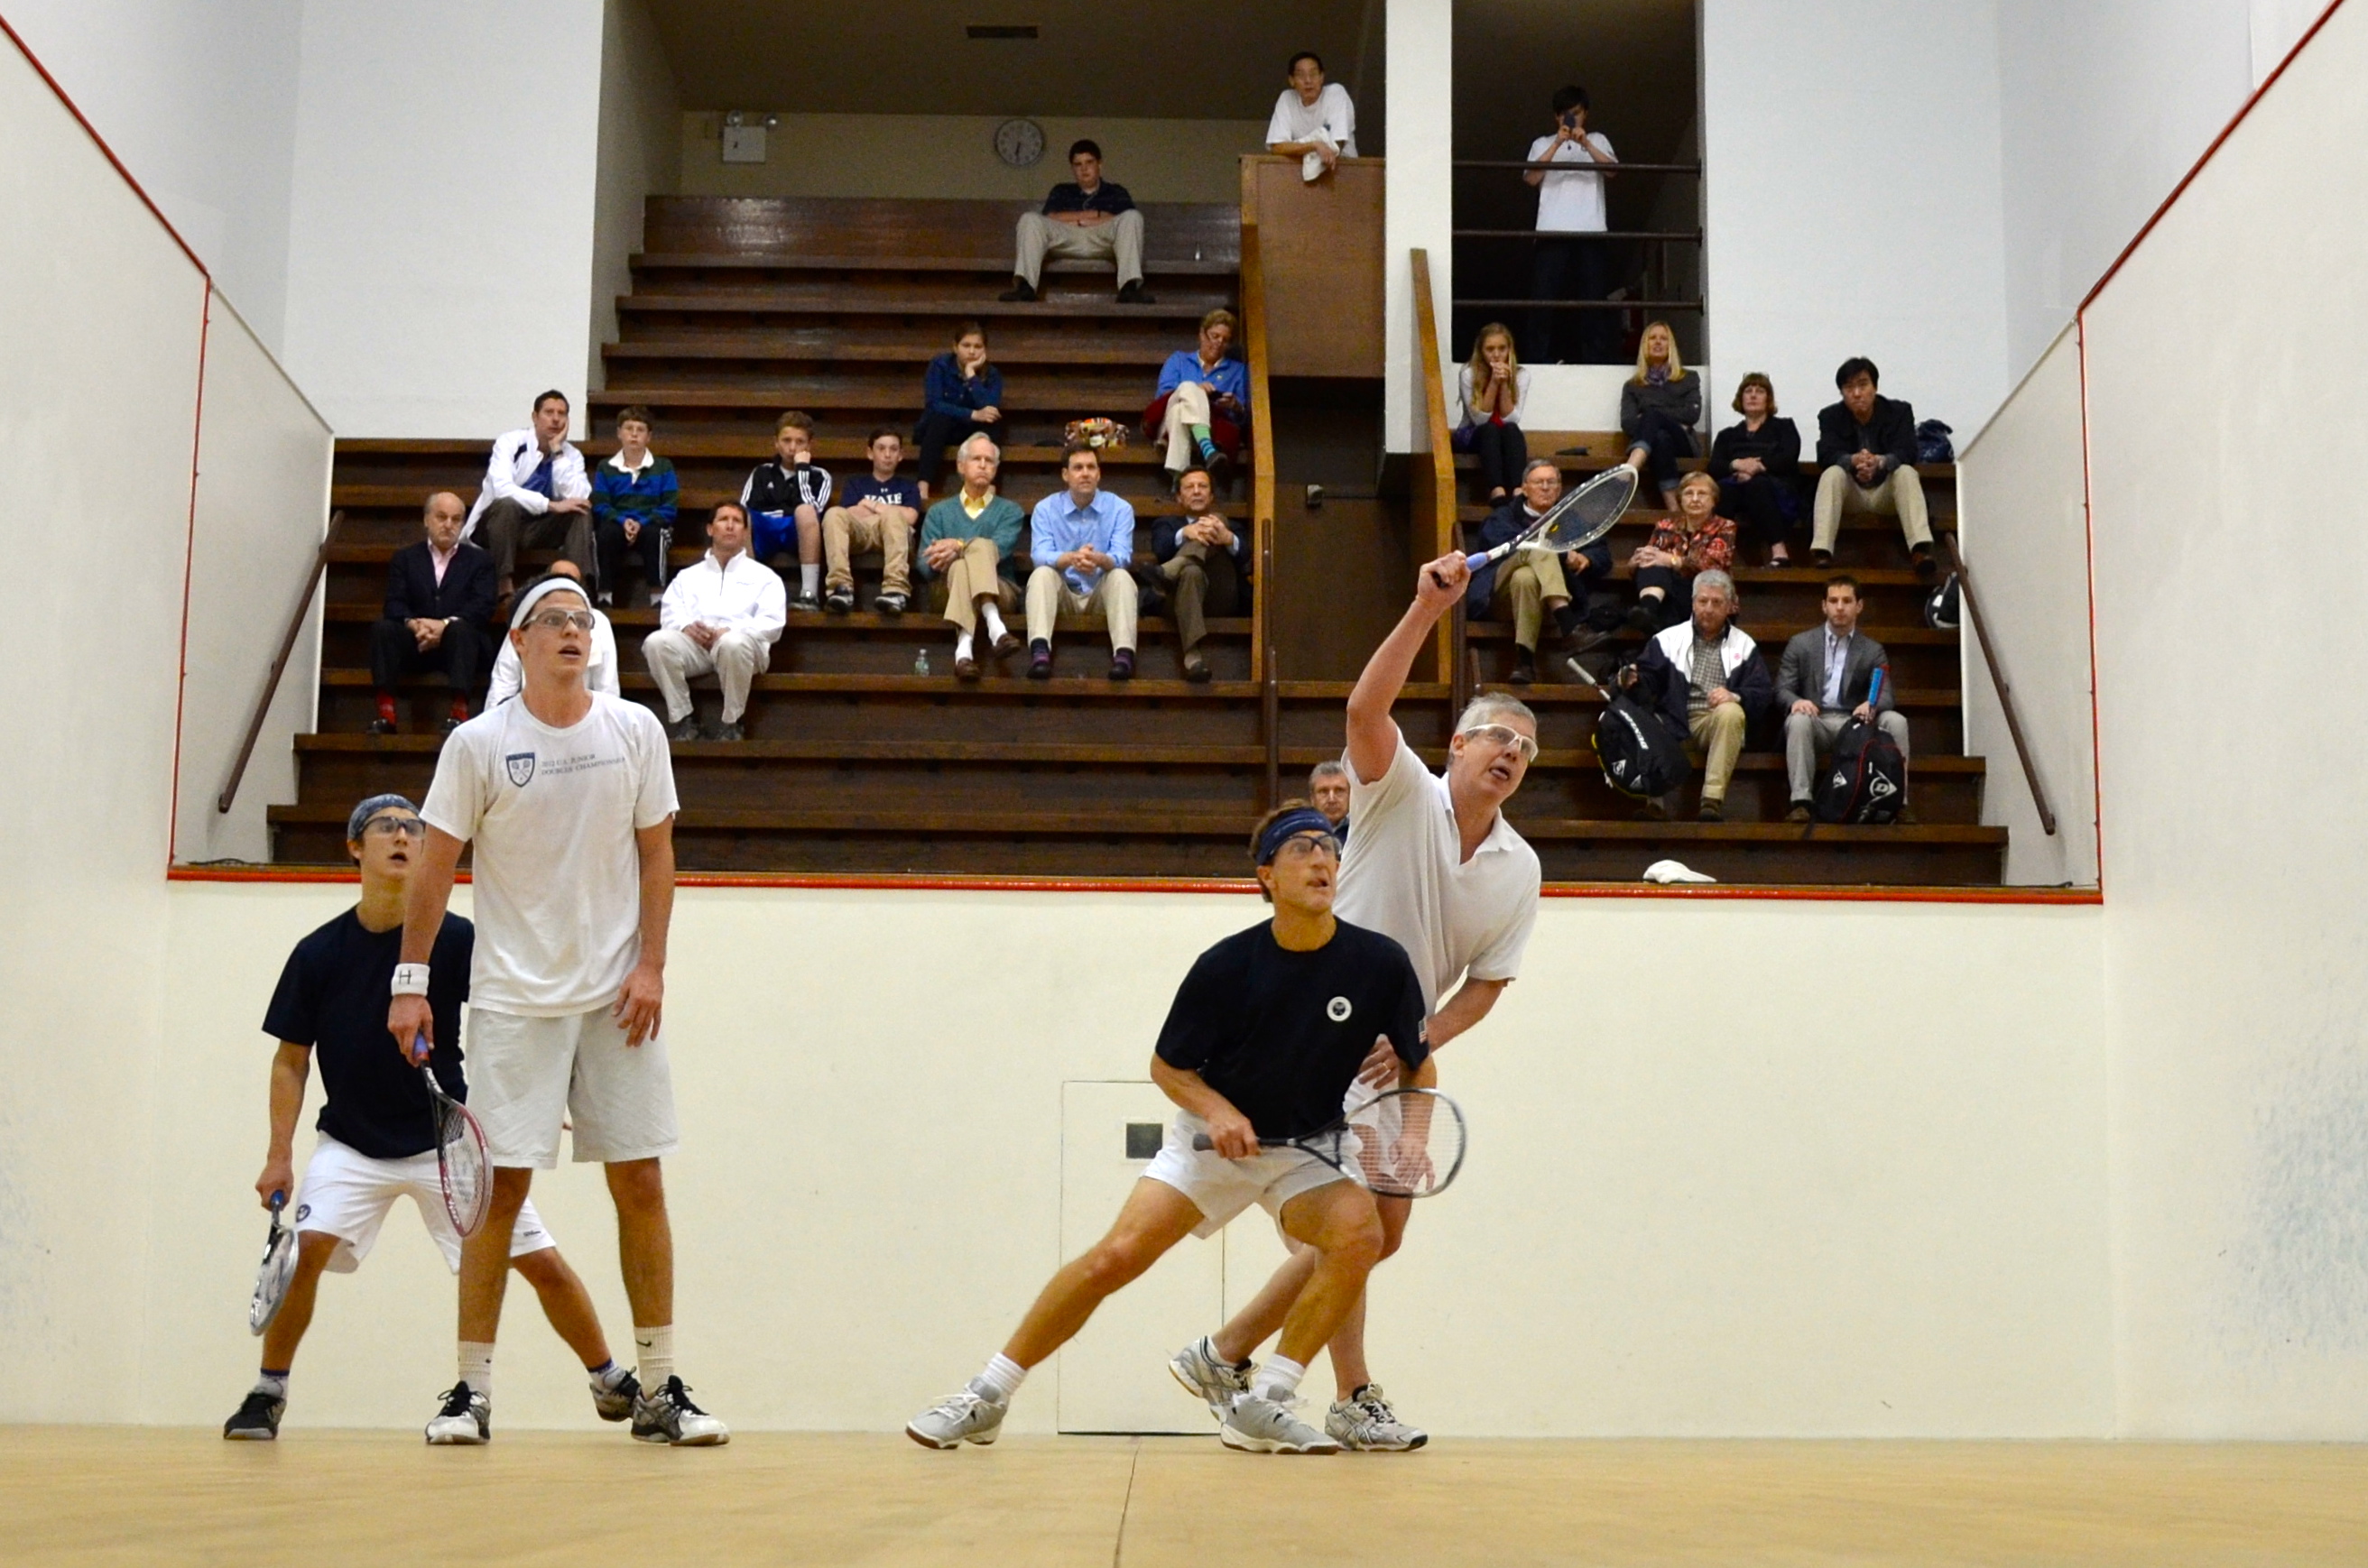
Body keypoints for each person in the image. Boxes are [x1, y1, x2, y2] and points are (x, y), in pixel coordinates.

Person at [906, 803, 1432, 1456]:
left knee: (1360, 1235)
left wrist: (1413, 1137)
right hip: (1212, 1145)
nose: (1321, 859)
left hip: (1306, 1149)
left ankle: (1265, 1402)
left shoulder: (1379, 963)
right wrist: (1217, 1110)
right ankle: (986, 1395)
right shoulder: (1226, 967)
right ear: (1266, 874)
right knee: (1114, 1258)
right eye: (1301, 849)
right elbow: (1168, 1067)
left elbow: (1419, 1062)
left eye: (1328, 847)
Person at [1177, 552, 1542, 1453]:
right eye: (1497, 736)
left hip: (1398, 1061)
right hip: (1317, 1039)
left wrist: (1417, 1036)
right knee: (1353, 1229)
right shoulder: (1394, 792)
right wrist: (1424, 606)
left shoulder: (1520, 867)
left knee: (1378, 1235)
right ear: (1456, 746)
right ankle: (1341, 1391)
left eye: (1526, 749)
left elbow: (1488, 981)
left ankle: (1223, 1351)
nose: (1511, 753)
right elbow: (1362, 711)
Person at [390, 575, 727, 1447]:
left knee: (640, 1181)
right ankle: (470, 1393)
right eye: (553, 621)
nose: (573, 632)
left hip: (619, 1001)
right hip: (513, 1004)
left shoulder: (636, 731)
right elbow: (433, 867)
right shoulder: (476, 745)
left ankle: (660, 1389)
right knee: (497, 1195)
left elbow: (659, 856)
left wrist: (652, 965)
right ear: (519, 643)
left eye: (583, 621)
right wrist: (411, 981)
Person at [222, 794, 637, 1442]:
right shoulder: (318, 953)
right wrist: (279, 1154)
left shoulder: (458, 940)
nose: (402, 836)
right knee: (304, 1253)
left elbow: (515, 1016)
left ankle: (611, 1380)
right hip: (352, 1144)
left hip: (449, 1146)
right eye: (384, 827)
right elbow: (290, 1061)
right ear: (355, 849)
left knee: (541, 1263)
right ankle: (266, 1391)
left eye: (414, 828)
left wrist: (536, 1094)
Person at [1619, 569, 1772, 821]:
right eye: (1703, 601)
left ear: (1730, 606)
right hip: (1672, 719)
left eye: (1716, 602)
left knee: (1731, 712)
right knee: (1644, 720)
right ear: (1693, 603)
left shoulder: (1744, 645)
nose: (1709, 609)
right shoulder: (1668, 639)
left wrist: (1735, 696)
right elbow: (1647, 680)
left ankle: (1711, 801)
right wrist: (1633, 679)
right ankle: (1654, 804)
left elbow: (1762, 693)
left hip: (1713, 722)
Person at [643, 502, 786, 742]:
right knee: (656, 643)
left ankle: (732, 722)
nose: (730, 526)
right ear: (710, 529)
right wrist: (687, 627)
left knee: (732, 643)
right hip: (697, 647)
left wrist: (731, 631)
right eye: (723, 520)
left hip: (744, 649)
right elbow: (669, 614)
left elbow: (773, 623)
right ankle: (684, 718)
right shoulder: (687, 576)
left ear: (745, 532)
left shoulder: (765, 577)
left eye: (737, 521)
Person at [1778, 575, 1913, 822]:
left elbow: (1886, 694)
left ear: (1859, 606)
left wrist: (1871, 704)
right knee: (1797, 720)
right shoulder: (1801, 644)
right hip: (1816, 719)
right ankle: (1801, 802)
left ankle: (1899, 803)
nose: (1840, 607)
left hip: (1856, 724)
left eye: (1847, 601)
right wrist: (1795, 701)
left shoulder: (1872, 650)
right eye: (1833, 600)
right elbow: (1782, 689)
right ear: (1824, 605)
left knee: (1896, 721)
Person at [1470, 458, 1611, 686]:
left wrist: (1588, 558)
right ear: (1524, 488)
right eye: (1538, 482)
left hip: (1540, 600)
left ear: (1559, 488)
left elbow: (1603, 556)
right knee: (1537, 546)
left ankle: (1524, 662)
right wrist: (1564, 555)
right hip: (1499, 597)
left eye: (1551, 482)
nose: (1545, 488)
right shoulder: (1502, 517)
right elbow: (1498, 548)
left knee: (1524, 578)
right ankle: (1569, 625)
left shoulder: (1573, 520)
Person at [371, 492, 495, 737]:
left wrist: (444, 625)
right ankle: (386, 714)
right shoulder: (405, 559)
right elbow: (394, 603)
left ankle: (459, 713)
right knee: (383, 629)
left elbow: (483, 606)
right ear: (427, 519)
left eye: (456, 519)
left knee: (463, 629)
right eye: (442, 517)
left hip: (460, 645)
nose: (449, 525)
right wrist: (416, 625)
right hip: (417, 642)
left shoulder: (480, 561)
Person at [917, 434, 1026, 679]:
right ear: (960, 465)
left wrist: (957, 546)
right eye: (976, 458)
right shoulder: (939, 512)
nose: (983, 464)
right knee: (959, 569)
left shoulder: (1010, 511)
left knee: (979, 552)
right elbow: (923, 565)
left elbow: (1000, 548)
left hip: (1001, 589)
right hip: (944, 590)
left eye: (989, 460)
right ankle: (995, 627)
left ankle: (963, 653)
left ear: (996, 469)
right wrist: (941, 559)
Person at [1025, 445, 1139, 681]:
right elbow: (1039, 555)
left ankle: (1124, 656)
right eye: (1078, 468)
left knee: (1121, 576)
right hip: (1063, 595)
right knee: (1041, 574)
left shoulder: (1120, 508)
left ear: (1099, 473)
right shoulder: (1045, 509)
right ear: (1065, 475)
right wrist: (1071, 558)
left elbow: (1122, 557)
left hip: (1101, 594)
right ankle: (1039, 652)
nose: (1085, 473)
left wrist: (1100, 560)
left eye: (1091, 467)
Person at [1814, 356, 1934, 580]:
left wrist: (1879, 461)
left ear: (1875, 387)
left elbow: (1908, 451)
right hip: (1852, 494)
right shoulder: (1830, 416)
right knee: (1832, 473)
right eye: (1849, 388)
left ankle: (1920, 550)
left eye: (1862, 385)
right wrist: (1853, 461)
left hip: (1886, 493)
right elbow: (1825, 454)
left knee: (1906, 472)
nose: (1857, 393)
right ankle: (1822, 551)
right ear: (1842, 393)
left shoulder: (1899, 412)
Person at [1522, 84, 1618, 364]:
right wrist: (1557, 143)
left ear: (1585, 114)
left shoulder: (1598, 139)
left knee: (1592, 301)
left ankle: (1595, 360)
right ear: (1556, 117)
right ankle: (1537, 360)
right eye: (1565, 115)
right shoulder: (1541, 143)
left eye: (1575, 113)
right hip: (1552, 231)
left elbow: (1613, 170)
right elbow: (1530, 179)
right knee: (1543, 300)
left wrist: (1585, 143)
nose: (1571, 119)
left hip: (1591, 232)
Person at [467, 391, 593, 600]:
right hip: (498, 526)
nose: (555, 419)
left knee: (580, 510)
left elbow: (580, 496)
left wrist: (557, 452)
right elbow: (501, 488)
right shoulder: (510, 442)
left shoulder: (571, 454)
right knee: (506, 505)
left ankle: (577, 586)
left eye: (561, 413)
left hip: (538, 529)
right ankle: (503, 583)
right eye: (549, 412)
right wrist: (550, 505)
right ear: (535, 417)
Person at [1000, 140, 1152, 305]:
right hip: (1066, 239)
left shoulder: (1116, 191)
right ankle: (1026, 288)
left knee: (1133, 217)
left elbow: (1125, 218)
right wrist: (1090, 217)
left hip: (1102, 240)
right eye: (1078, 164)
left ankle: (1129, 288)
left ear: (1099, 165)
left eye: (1089, 162)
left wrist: (1093, 216)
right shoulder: (1062, 190)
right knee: (1029, 219)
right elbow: (1050, 218)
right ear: (1073, 168)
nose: (1084, 169)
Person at [1152, 466, 1250, 684]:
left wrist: (1227, 538)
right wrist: (1183, 533)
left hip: (1220, 596)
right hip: (1178, 599)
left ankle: (1170, 570)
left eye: (1202, 486)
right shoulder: (1166, 524)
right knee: (1191, 572)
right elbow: (1159, 550)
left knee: (1217, 520)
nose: (1197, 491)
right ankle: (1192, 656)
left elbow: (1246, 558)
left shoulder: (1233, 526)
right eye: (1189, 487)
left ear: (1212, 495)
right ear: (1179, 497)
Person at [488, 560, 617, 707]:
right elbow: (504, 680)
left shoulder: (598, 621)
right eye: (558, 580)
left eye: (581, 623)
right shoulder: (527, 618)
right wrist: (494, 720)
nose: (572, 630)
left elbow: (607, 684)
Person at [822, 427, 921, 614]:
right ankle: (840, 588)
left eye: (893, 449)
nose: (887, 454)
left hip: (895, 536)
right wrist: (888, 512)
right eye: (881, 448)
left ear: (901, 455)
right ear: (870, 453)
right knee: (834, 514)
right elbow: (849, 513)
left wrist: (871, 505)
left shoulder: (908, 487)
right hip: (862, 534)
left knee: (893, 517)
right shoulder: (856, 483)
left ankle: (895, 590)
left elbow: (910, 517)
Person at [740, 410, 832, 612]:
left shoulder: (821, 476)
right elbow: (747, 507)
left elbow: (814, 510)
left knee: (805, 512)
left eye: (800, 442)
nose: (792, 447)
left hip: (796, 533)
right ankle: (749, 593)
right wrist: (780, 511)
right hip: (765, 531)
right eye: (787, 440)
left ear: (809, 445)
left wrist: (802, 472)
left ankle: (809, 594)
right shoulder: (761, 472)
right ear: (776, 442)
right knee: (740, 517)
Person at [1147, 309, 1249, 490]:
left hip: (1213, 427)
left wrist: (1235, 406)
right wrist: (1196, 391)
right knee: (1187, 388)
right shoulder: (1178, 360)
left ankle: (1178, 481)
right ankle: (1208, 450)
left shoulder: (1238, 370)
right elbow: (1163, 397)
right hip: (1167, 423)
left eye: (1225, 340)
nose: (1218, 343)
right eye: (1214, 336)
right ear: (1202, 334)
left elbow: (1243, 417)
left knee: (1180, 412)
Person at [1708, 374, 1803, 567]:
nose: (1753, 395)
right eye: (1748, 391)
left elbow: (1789, 457)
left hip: (1774, 490)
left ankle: (1780, 552)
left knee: (1757, 484)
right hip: (1735, 487)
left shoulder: (1784, 427)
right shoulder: (1727, 435)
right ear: (1740, 398)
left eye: (1759, 391)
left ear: (1768, 399)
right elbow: (1714, 465)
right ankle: (1717, 553)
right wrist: (1736, 465)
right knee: (1722, 490)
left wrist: (1758, 467)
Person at [1626, 469, 1736, 633]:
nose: (1695, 499)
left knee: (1663, 570)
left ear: (1714, 500)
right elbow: (1652, 563)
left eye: (1702, 494)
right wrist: (1635, 562)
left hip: (1707, 594)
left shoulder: (1725, 527)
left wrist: (1671, 560)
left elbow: (1711, 567)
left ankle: (1653, 621)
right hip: (1669, 595)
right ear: (1680, 499)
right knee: (1653, 564)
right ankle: (1648, 610)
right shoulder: (1665, 526)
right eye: (1689, 493)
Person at [590, 405, 677, 607]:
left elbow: (669, 507)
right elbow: (601, 505)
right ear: (619, 433)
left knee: (655, 535)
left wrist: (642, 523)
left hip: (651, 522)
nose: (634, 434)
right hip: (618, 521)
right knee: (604, 534)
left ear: (649, 436)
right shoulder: (606, 467)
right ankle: (604, 594)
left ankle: (657, 595)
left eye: (640, 430)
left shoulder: (663, 466)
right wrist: (623, 521)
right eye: (629, 428)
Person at [913, 323, 1003, 499]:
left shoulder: (992, 374)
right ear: (955, 347)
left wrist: (971, 376)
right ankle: (923, 484)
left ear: (985, 349)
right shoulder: (940, 365)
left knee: (993, 422)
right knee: (940, 418)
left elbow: (990, 407)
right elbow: (934, 404)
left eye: (977, 347)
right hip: (941, 428)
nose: (972, 352)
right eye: (966, 346)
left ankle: (989, 486)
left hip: (972, 431)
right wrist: (973, 414)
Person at [1620, 322, 1699, 510]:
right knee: (1661, 437)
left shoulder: (1688, 378)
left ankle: (1632, 467)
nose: (1658, 343)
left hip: (1684, 443)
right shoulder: (1633, 385)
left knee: (1652, 416)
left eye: (1663, 339)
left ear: (1670, 345)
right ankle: (1673, 507)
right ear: (1644, 345)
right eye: (1652, 338)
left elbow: (1692, 413)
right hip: (1658, 444)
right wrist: (1675, 420)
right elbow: (1628, 423)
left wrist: (1652, 415)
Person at [1455, 324, 1531, 508]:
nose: (1496, 355)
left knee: (1512, 430)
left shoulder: (1522, 375)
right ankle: (1496, 491)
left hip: (1503, 433)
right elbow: (1479, 419)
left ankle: (1517, 490)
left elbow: (1511, 419)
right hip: (1472, 434)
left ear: (1509, 350)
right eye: (1490, 349)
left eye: (1502, 349)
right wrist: (1494, 384)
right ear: (1481, 351)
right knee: (1490, 430)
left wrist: (1504, 384)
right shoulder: (1468, 373)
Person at [1265, 51, 1356, 180]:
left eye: (1313, 74)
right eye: (1301, 75)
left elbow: (1336, 146)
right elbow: (1277, 147)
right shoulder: (1287, 98)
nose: (1308, 81)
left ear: (1322, 77)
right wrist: (1315, 145)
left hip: (1343, 172)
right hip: (1301, 177)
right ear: (1292, 81)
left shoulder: (1335, 93)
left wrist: (1300, 147)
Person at [1309, 761, 1351, 842]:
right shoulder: (1302, 832)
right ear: (1312, 798)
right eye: (1324, 791)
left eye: (1339, 791)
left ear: (1350, 795)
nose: (1331, 799)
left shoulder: (1362, 830)